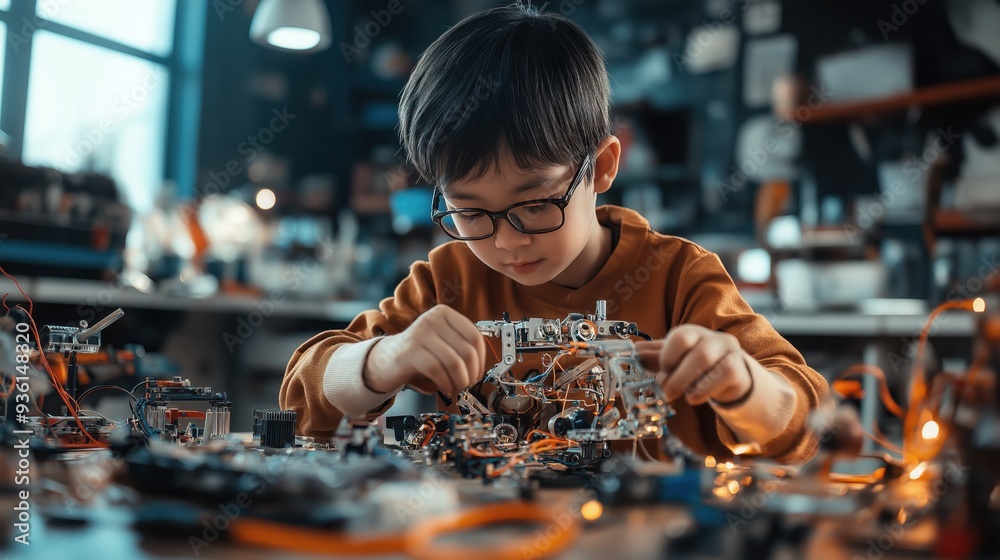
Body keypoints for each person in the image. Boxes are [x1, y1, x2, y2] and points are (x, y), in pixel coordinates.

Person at [280, 3, 829, 464]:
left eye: (536, 205)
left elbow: (807, 423)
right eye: (469, 212)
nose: (507, 242)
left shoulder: (680, 278)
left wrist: (745, 385)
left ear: (603, 167)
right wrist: (384, 359)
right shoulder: (448, 281)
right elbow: (299, 402)